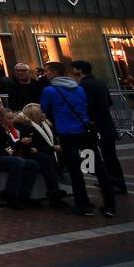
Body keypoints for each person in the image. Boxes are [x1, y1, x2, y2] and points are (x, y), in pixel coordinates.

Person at [40, 62, 116, 217]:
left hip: (67, 134)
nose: (45, 74)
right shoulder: (79, 89)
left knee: (75, 170)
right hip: (85, 132)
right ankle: (110, 205)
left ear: (54, 72)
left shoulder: (50, 90)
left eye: (46, 71)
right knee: (97, 167)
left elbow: (44, 109)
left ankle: (83, 205)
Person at [70, 60, 127, 194]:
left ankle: (114, 182)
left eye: (74, 69)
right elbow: (109, 102)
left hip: (96, 125)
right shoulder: (99, 82)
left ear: (79, 70)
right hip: (107, 124)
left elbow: (87, 106)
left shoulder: (84, 85)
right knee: (110, 155)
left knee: (96, 155)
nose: (73, 71)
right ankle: (115, 181)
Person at [10, 107, 68, 207]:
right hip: (34, 155)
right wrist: (52, 148)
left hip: (47, 152)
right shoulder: (27, 127)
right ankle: (54, 192)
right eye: (40, 112)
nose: (43, 114)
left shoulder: (47, 125)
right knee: (46, 159)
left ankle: (60, 189)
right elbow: (32, 148)